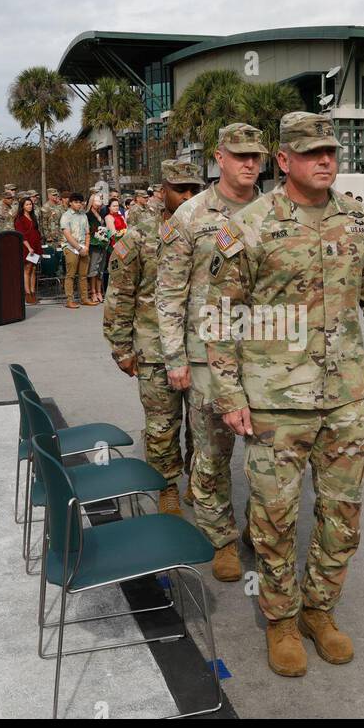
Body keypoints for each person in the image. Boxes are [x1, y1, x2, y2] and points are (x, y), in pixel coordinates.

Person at [205, 112, 364, 678]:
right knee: (273, 517)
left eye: (331, 152)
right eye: (312, 152)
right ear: (284, 161)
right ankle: (282, 619)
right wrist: (229, 392)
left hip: (344, 396)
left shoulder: (363, 224)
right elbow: (221, 316)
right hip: (273, 401)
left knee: (342, 514)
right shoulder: (247, 227)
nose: (325, 161)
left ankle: (320, 610)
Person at [156, 124, 267, 580]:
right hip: (205, 356)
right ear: (218, 158)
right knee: (212, 453)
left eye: (256, 156)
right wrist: (175, 358)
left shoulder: (276, 211)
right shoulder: (191, 215)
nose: (249, 164)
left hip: (264, 357)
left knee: (268, 457)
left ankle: (258, 532)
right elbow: (168, 291)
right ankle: (220, 537)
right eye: (240, 155)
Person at [103, 160, 203, 517]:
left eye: (194, 189)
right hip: (154, 348)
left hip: (201, 348)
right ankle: (166, 486)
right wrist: (120, 347)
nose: (189, 196)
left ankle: (199, 480)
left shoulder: (211, 229)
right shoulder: (139, 233)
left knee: (202, 425)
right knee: (162, 425)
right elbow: (120, 292)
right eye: (181, 189)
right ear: (164, 191)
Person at [60, 193, 92, 308]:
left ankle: (84, 298)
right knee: (71, 275)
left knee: (83, 275)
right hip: (70, 248)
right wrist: (78, 248)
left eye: (80, 202)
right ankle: (69, 300)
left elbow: (88, 233)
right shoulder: (66, 216)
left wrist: (86, 247)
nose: (79, 204)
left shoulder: (83, 215)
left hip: (83, 247)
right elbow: (67, 235)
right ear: (70, 203)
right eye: (76, 202)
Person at [14, 195, 42, 305]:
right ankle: (27, 293)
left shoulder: (33, 216)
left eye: (30, 204)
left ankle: (33, 291)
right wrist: (29, 247)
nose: (29, 206)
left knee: (34, 269)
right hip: (27, 247)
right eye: (27, 204)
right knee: (27, 269)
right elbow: (21, 235)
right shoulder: (19, 219)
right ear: (22, 206)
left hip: (35, 245)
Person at [86, 193, 108, 305]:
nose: (98, 203)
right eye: (96, 200)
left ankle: (100, 292)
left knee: (100, 269)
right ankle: (93, 292)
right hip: (93, 245)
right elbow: (88, 230)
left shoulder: (102, 213)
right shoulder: (88, 215)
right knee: (93, 269)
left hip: (102, 244)